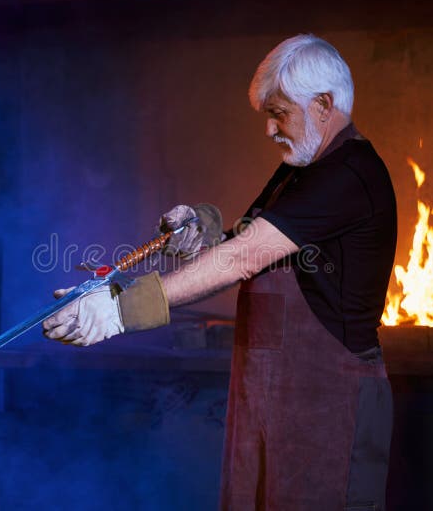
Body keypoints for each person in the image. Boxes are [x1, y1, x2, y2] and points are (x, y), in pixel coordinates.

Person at [43, 34, 397, 511]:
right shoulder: (301, 170)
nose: (270, 129)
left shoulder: (349, 173)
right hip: (270, 402)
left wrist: (121, 310)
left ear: (323, 105)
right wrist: (202, 232)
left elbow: (245, 256)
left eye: (279, 114)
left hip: (329, 408)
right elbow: (246, 242)